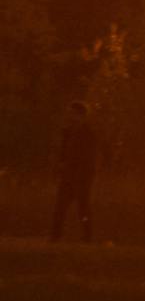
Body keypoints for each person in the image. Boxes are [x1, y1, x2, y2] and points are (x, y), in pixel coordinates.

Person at [45, 102, 98, 244]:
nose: (70, 116)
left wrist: (84, 175)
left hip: (82, 176)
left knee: (83, 207)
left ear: (81, 115)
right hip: (68, 175)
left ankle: (87, 237)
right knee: (60, 206)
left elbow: (89, 157)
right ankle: (56, 236)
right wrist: (60, 167)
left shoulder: (89, 133)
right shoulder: (67, 132)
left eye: (73, 113)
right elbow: (63, 154)